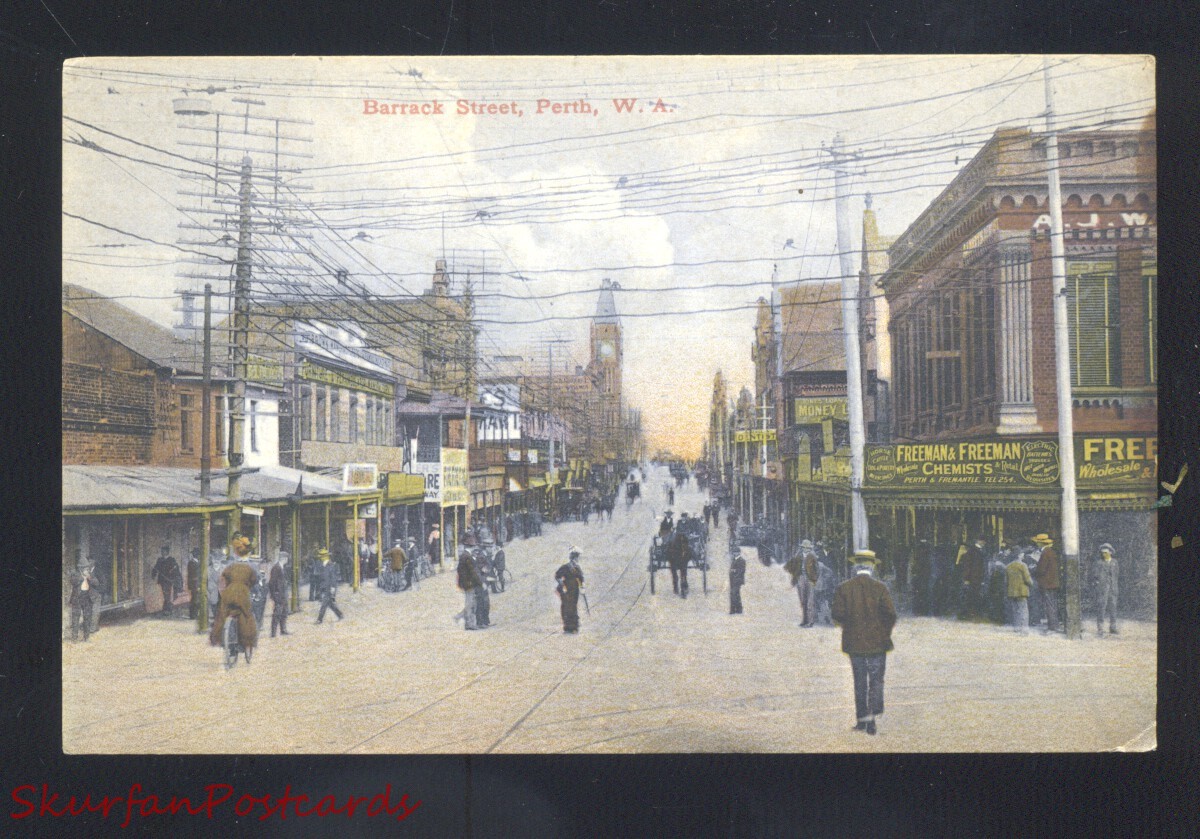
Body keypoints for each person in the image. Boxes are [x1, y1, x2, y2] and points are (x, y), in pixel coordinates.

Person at [831, 550, 897, 736]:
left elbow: (837, 614)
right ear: (872, 566)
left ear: (855, 567)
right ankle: (872, 719)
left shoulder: (844, 588)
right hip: (877, 643)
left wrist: (850, 626)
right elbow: (890, 615)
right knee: (876, 680)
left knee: (859, 680)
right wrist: (883, 632)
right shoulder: (880, 588)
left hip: (855, 643)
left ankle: (861, 720)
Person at [209, 560, 258, 650]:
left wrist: (229, 585)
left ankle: (221, 639)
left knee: (223, 613)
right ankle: (244, 642)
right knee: (246, 615)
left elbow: (224, 577)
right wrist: (247, 587)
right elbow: (254, 580)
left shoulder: (230, 567)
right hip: (243, 593)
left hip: (229, 592)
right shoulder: (249, 568)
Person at [1030, 533, 1060, 633]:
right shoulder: (1050, 551)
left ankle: (1052, 627)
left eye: (1037, 542)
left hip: (1047, 583)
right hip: (1052, 582)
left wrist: (1033, 569)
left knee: (1049, 605)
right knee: (1052, 604)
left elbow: (1041, 570)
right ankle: (1054, 625)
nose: (1036, 544)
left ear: (1040, 543)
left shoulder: (1045, 553)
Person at [1092, 542, 1120, 636]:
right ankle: (1100, 628)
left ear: (1111, 553)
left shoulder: (1115, 563)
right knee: (1101, 608)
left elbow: (1116, 575)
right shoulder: (1099, 563)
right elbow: (1095, 576)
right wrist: (1098, 584)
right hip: (1102, 589)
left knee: (1113, 608)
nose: (1104, 554)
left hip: (1113, 589)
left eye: (1106, 553)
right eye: (1102, 553)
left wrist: (1114, 586)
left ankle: (1113, 627)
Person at [68, 561, 100, 641]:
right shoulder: (75, 574)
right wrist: (83, 577)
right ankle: (74, 638)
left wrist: (89, 578)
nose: (87, 569)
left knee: (87, 618)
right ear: (81, 569)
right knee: (75, 618)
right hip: (77, 598)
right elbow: (73, 582)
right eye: (85, 568)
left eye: (87, 568)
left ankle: (86, 638)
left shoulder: (90, 574)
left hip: (87, 598)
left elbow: (97, 583)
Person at [555, 548, 585, 633]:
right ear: (572, 558)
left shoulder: (577, 567)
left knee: (573, 606)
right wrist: (562, 584)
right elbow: (557, 576)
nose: (576, 560)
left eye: (577, 558)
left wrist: (582, 586)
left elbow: (581, 578)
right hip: (566, 590)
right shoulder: (565, 567)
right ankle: (567, 626)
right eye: (575, 558)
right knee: (567, 606)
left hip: (575, 590)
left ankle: (574, 626)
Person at [1005, 549, 1033, 634]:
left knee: (1015, 610)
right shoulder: (1023, 565)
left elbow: (1006, 581)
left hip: (1012, 591)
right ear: (1019, 555)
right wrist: (1032, 584)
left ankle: (1016, 628)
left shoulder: (1008, 566)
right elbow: (1028, 579)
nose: (1023, 555)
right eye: (1022, 554)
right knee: (1023, 610)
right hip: (1022, 591)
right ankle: (1024, 629)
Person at [958, 538, 986, 621]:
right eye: (984, 541)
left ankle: (973, 614)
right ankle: (969, 614)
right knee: (971, 596)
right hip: (973, 578)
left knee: (975, 596)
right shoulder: (972, 551)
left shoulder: (979, 550)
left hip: (977, 578)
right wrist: (966, 578)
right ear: (980, 541)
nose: (984, 543)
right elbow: (967, 566)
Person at [314, 548, 344, 623]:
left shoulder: (331, 566)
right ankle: (340, 614)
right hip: (323, 586)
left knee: (324, 603)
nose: (320, 558)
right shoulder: (321, 565)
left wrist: (333, 588)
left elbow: (333, 578)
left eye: (321, 556)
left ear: (325, 557)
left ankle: (319, 619)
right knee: (329, 603)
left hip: (329, 587)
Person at [150, 545, 182, 617]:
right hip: (162, 580)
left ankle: (167, 609)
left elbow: (176, 569)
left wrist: (172, 576)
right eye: (161, 551)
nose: (162, 552)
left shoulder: (171, 560)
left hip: (169, 580)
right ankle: (166, 609)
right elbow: (156, 567)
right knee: (165, 594)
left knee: (167, 594)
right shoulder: (160, 560)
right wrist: (153, 574)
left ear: (167, 552)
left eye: (163, 551)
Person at [456, 546, 481, 630]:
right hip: (469, 584)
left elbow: (459, 570)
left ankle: (462, 618)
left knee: (471, 603)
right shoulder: (468, 557)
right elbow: (472, 572)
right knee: (470, 603)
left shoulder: (464, 556)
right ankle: (468, 623)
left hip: (466, 584)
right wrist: (479, 582)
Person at [269, 552, 290, 637]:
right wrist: (274, 594)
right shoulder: (276, 568)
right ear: (284, 558)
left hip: (283, 594)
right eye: (286, 558)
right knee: (277, 613)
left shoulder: (281, 567)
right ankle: (273, 633)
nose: (287, 560)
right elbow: (271, 583)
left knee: (284, 612)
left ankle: (283, 630)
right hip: (278, 594)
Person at [668, 531, 692, 598]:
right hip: (674, 559)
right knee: (677, 575)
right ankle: (676, 587)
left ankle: (683, 589)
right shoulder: (673, 542)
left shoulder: (684, 541)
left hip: (683, 559)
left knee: (683, 574)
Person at [473, 549, 492, 627]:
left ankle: (485, 621)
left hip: (483, 586)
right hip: (479, 586)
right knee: (481, 604)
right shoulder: (478, 561)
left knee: (485, 604)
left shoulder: (482, 558)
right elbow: (477, 575)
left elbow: (487, 567)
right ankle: (480, 622)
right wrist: (483, 583)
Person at [729, 547, 746, 615]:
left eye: (736, 552)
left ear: (739, 552)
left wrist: (734, 572)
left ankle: (733, 610)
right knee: (736, 594)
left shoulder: (741, 560)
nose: (734, 553)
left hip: (737, 580)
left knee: (733, 594)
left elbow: (741, 571)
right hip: (733, 580)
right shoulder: (734, 559)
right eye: (734, 552)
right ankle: (739, 609)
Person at [186, 548, 201, 620]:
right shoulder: (191, 563)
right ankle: (192, 615)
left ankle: (195, 614)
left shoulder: (199, 562)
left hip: (198, 584)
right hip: (195, 584)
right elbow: (193, 575)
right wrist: (197, 585)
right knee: (195, 599)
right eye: (197, 554)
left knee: (197, 599)